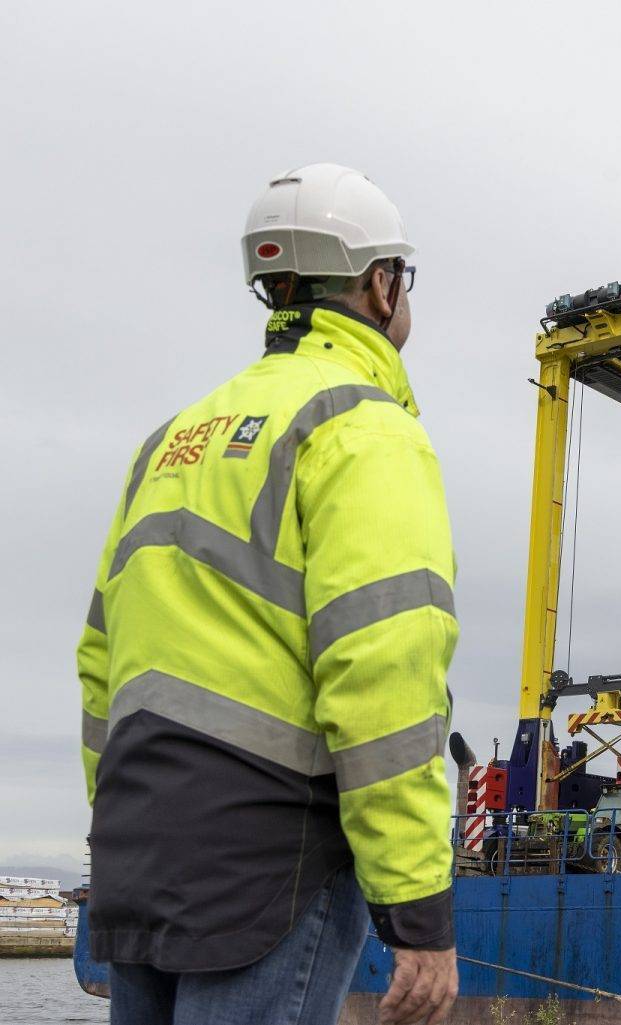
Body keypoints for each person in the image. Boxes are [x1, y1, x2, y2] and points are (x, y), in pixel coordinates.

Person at [77, 163, 459, 1025]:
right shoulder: (363, 429)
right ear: (378, 281)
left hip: (139, 853)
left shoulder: (169, 443)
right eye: (402, 276)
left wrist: (126, 823)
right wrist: (419, 913)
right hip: (271, 864)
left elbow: (101, 664)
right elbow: (385, 679)